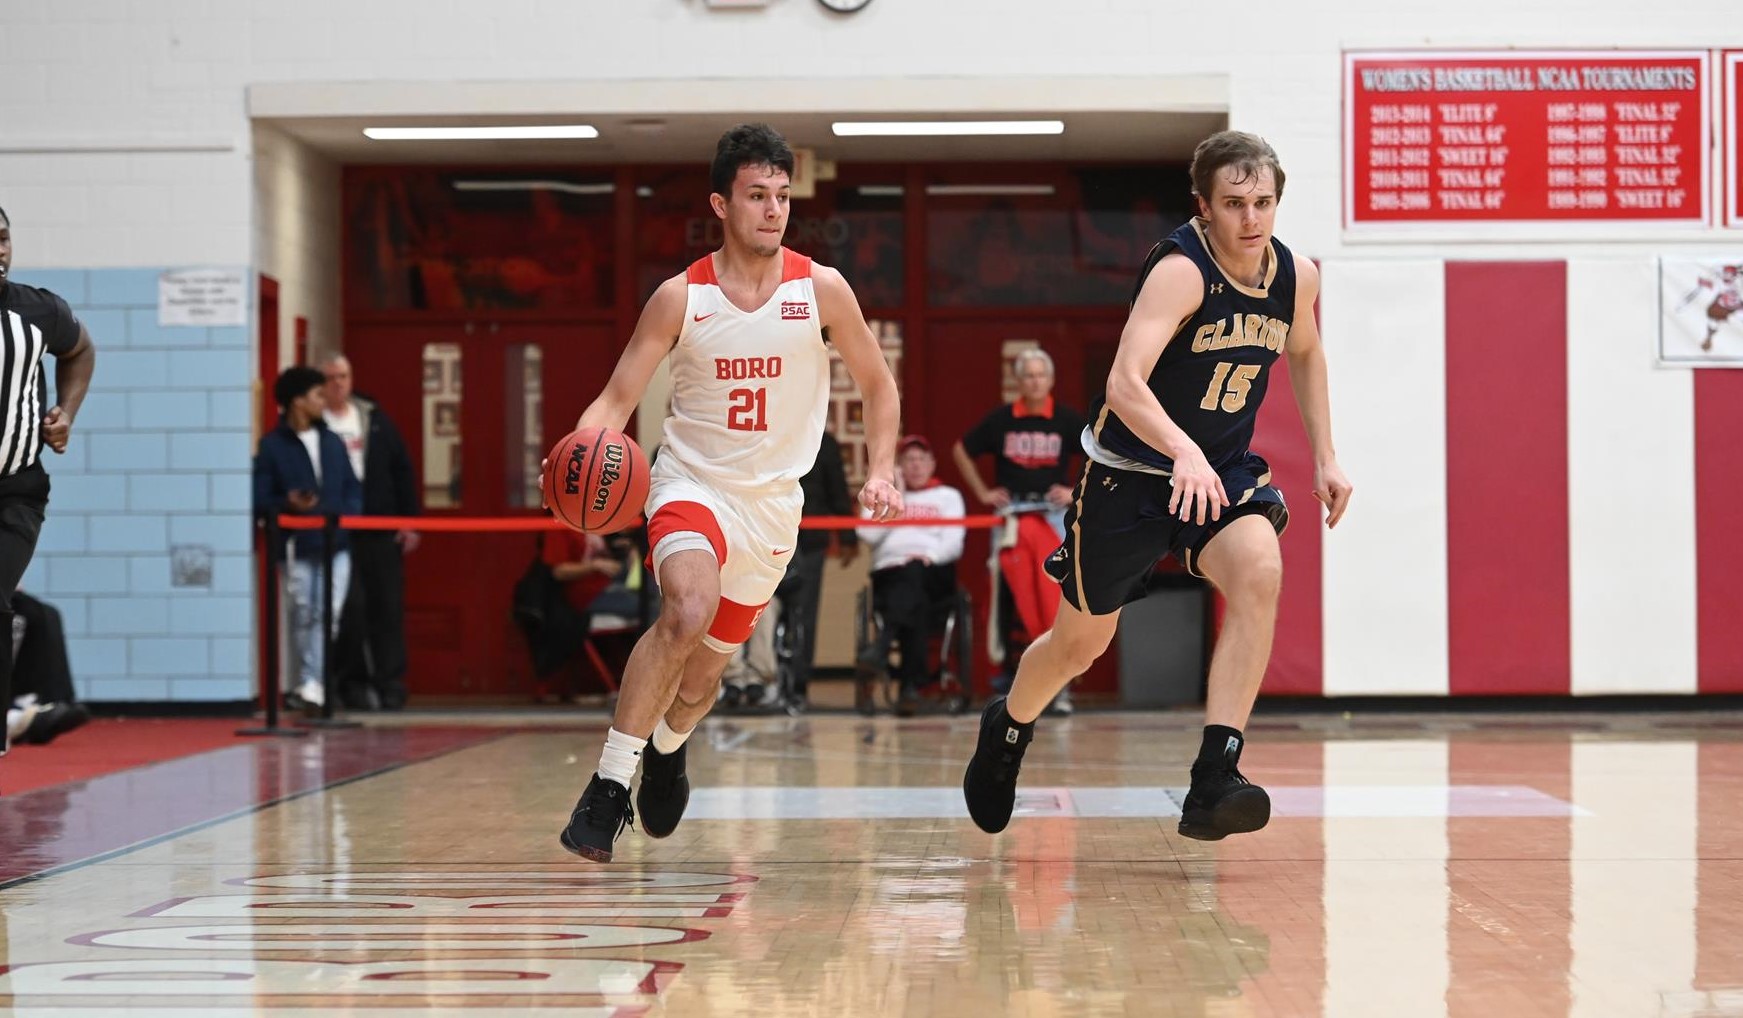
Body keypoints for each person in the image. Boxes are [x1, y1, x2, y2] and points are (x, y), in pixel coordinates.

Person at [961, 131, 1354, 843]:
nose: (1250, 219)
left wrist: (1325, 455)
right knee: (1079, 647)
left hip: (1220, 474)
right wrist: (1180, 450)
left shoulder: (1296, 277)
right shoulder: (1180, 271)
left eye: (1262, 202)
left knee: (1260, 570)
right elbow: (1123, 381)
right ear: (1202, 206)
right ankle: (1008, 729)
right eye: (1233, 204)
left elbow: (1305, 352)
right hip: (1132, 475)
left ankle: (1214, 776)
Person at [557, 124, 903, 862]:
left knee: (703, 679)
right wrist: (578, 462)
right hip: (691, 485)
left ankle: (671, 747)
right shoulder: (679, 296)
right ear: (721, 203)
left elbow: (877, 384)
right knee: (686, 609)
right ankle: (609, 785)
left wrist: (881, 468)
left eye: (781, 196)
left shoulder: (822, 289)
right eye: (756, 196)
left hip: (773, 504)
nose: (773, 210)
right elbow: (615, 401)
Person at [0, 205, 97, 759]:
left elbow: (81, 349)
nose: (0, 250)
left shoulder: (38, 310)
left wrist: (66, 411)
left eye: (4, 238)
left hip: (16, 486)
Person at [952, 349, 1086, 711]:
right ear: (1018, 381)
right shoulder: (1001, 420)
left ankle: (1061, 685)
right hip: (1012, 515)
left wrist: (1075, 490)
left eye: (1040, 375)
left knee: (1056, 592)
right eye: (1028, 375)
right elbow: (961, 449)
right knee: (1007, 594)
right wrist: (983, 492)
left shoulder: (1065, 419)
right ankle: (1011, 677)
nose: (1034, 382)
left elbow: (1099, 452)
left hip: (1053, 515)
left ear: (1051, 380)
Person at [720, 430, 857, 712]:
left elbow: (837, 489)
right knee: (752, 603)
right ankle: (740, 679)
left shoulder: (825, 440)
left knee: (805, 614)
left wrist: (847, 536)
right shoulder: (762, 432)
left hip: (810, 540)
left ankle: (798, 684)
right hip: (762, 534)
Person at [253, 366, 363, 711]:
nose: (324, 401)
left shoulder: (332, 442)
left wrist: (344, 520)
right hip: (297, 544)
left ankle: (313, 682)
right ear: (297, 402)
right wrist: (288, 504)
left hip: (336, 542)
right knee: (303, 611)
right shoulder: (272, 446)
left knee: (327, 611)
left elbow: (351, 488)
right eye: (317, 395)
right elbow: (260, 497)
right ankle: (312, 682)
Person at [319, 353, 420, 711]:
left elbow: (401, 468)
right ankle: (352, 683)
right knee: (350, 609)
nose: (338, 383)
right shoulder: (317, 425)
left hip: (380, 525)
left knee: (387, 606)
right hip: (339, 530)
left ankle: (390, 683)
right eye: (331, 377)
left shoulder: (373, 419)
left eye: (343, 376)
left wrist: (409, 520)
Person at [856, 435, 965, 717]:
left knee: (915, 576)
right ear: (899, 466)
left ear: (932, 464)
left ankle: (881, 649)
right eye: (909, 460)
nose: (916, 466)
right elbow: (866, 534)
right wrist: (897, 495)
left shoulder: (948, 496)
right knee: (912, 595)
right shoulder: (880, 494)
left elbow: (954, 542)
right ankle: (909, 688)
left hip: (934, 571)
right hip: (890, 574)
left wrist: (932, 557)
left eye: (921, 460)